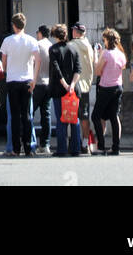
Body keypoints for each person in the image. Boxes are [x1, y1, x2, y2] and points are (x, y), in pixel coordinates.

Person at [0, 11, 40, 158]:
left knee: (15, 116)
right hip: (27, 80)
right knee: (27, 115)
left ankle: (16, 148)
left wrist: (6, 71)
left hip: (13, 80)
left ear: (13, 25)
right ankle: (28, 147)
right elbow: (38, 59)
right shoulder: (31, 40)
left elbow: (3, 60)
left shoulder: (8, 41)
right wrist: (34, 79)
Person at [92, 27, 126, 156]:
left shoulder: (105, 53)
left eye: (104, 39)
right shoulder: (121, 54)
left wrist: (96, 55)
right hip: (118, 86)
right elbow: (122, 66)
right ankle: (115, 147)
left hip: (106, 87)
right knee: (113, 116)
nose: (103, 41)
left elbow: (98, 71)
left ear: (107, 40)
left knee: (95, 116)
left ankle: (101, 146)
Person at [48, 24, 81, 157]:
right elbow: (78, 69)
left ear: (55, 35)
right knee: (74, 119)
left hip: (59, 89)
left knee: (61, 119)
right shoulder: (74, 49)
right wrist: (72, 84)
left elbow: (56, 70)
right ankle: (75, 148)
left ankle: (62, 149)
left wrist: (65, 84)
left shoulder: (53, 49)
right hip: (74, 90)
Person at [70, 23, 95, 155]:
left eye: (73, 30)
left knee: (72, 114)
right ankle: (86, 142)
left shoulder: (73, 45)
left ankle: (74, 142)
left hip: (75, 83)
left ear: (76, 32)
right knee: (85, 114)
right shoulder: (89, 46)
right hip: (86, 84)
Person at [33, 25, 53, 154]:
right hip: (48, 84)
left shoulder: (37, 45)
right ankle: (45, 144)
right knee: (46, 115)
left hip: (37, 83)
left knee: (29, 113)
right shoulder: (51, 46)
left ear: (40, 33)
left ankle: (29, 142)